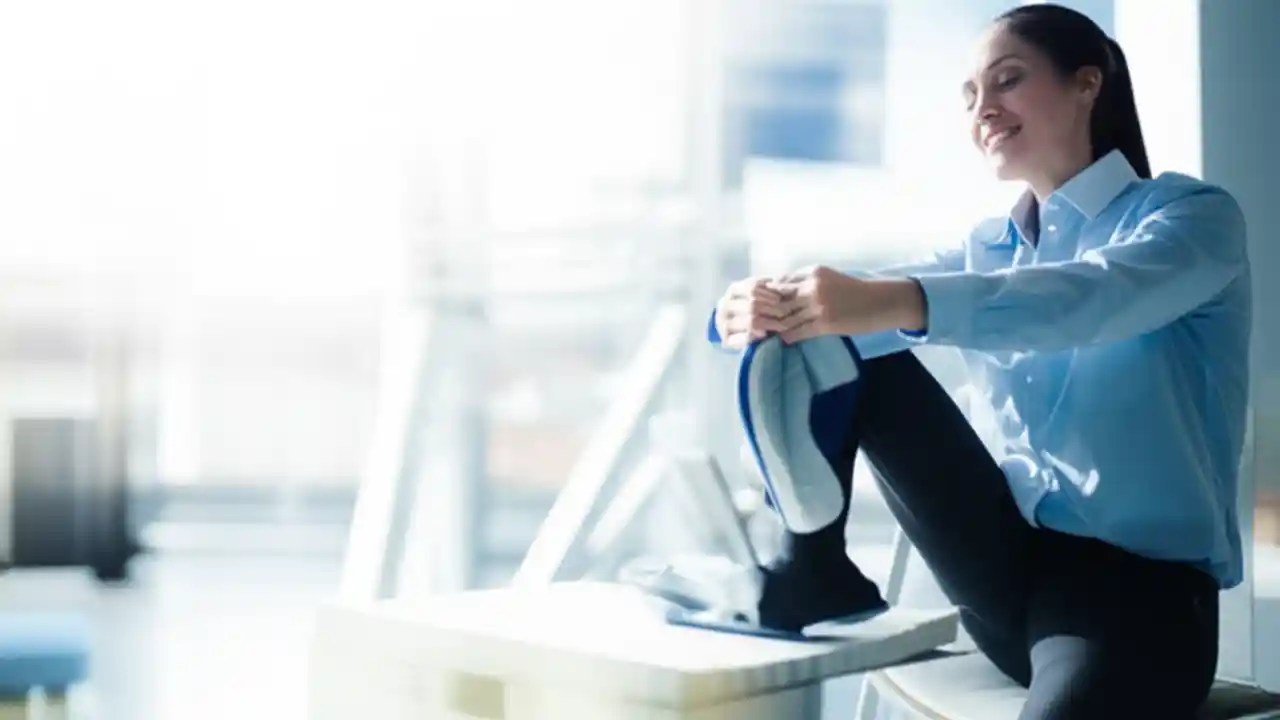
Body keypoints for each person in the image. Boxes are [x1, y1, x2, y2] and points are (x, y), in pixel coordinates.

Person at [710, 4, 1249, 718]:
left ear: (1087, 84)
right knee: (848, 339)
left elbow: (1087, 298)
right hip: (1001, 582)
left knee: (876, 313)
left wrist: (887, 301)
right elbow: (856, 313)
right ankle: (813, 567)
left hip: (1137, 598)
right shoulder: (986, 246)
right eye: (970, 96)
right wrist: (748, 311)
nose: (982, 109)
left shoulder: (1191, 217)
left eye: (1007, 81)